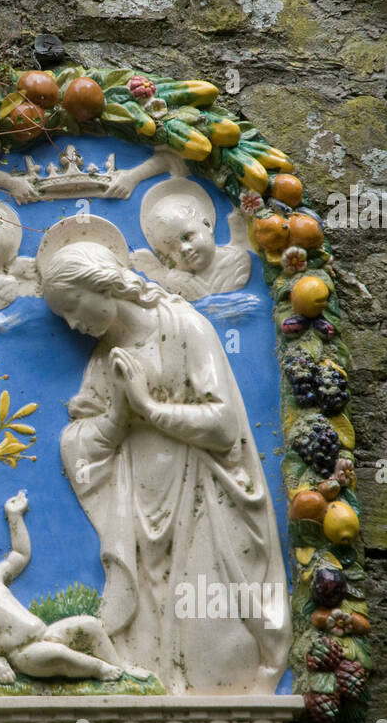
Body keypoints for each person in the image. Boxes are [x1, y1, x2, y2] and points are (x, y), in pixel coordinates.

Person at [36, 224, 290, 695]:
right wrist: (118, 414)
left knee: (213, 651)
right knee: (148, 653)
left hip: (206, 503)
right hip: (138, 515)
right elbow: (80, 442)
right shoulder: (104, 359)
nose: (71, 323)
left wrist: (150, 410)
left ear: (101, 282)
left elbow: (224, 426)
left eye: (72, 308)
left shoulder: (184, 326)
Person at [0, 491, 152, 683]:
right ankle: (100, 669)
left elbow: (20, 555)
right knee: (60, 656)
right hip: (24, 654)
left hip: (46, 634)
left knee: (91, 625)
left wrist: (14, 518)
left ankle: (121, 667)